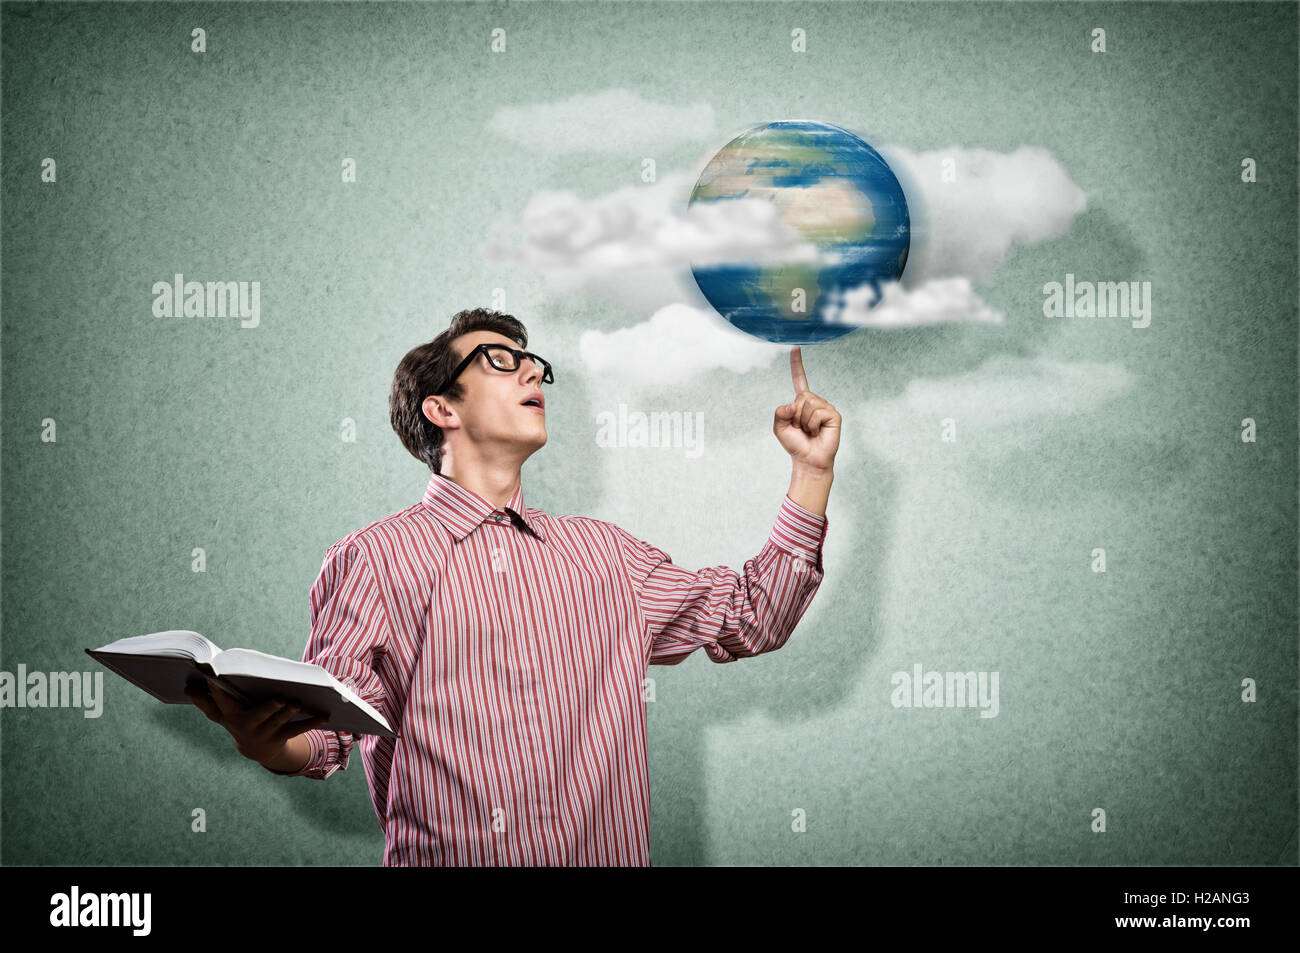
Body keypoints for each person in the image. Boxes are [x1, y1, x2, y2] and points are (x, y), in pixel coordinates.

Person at [186, 307, 841, 865]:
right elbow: (330, 729)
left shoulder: (608, 557)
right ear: (441, 407)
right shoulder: (375, 559)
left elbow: (755, 615)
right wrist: (268, 741)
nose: (533, 371)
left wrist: (811, 473)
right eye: (502, 361)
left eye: (535, 364)